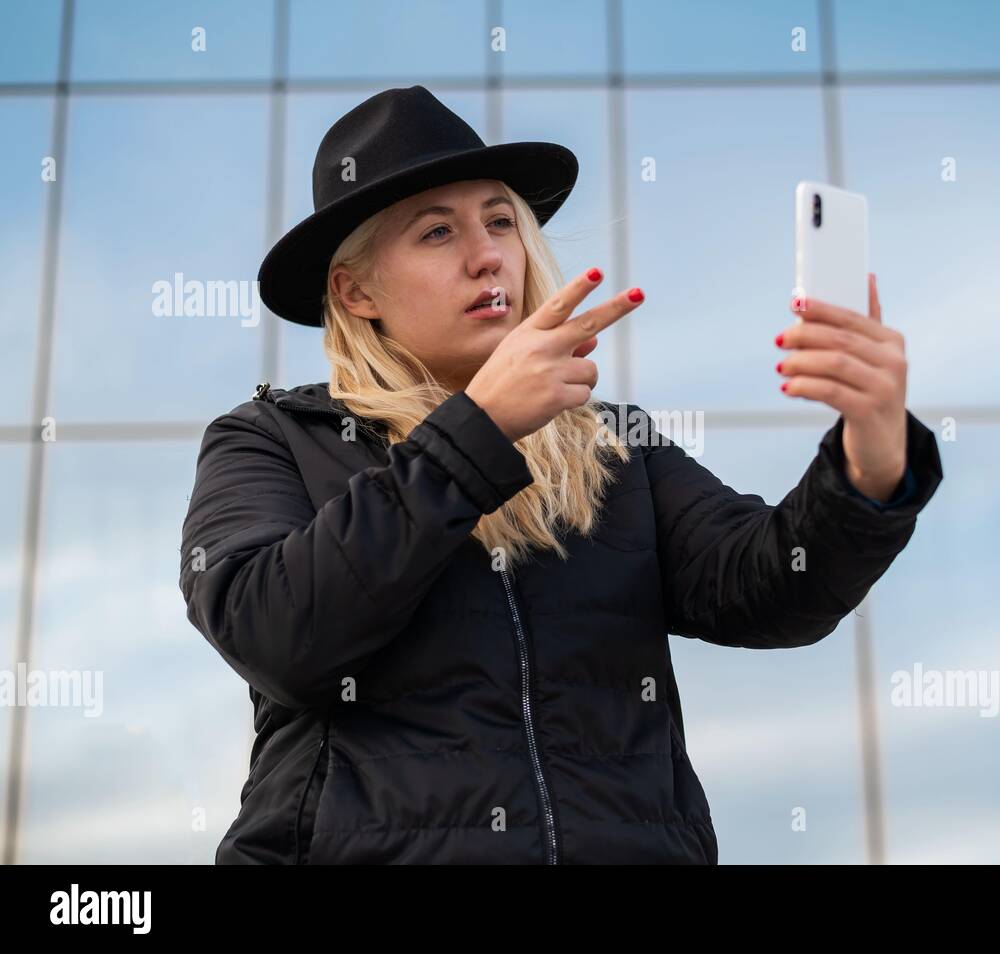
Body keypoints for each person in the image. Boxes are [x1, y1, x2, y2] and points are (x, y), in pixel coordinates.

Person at [179, 85, 943, 864]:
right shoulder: (271, 439)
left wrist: (872, 457)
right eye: (437, 231)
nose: (487, 255)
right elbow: (275, 636)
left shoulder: (617, 449)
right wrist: (477, 430)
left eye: (500, 221)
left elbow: (776, 589)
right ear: (356, 290)